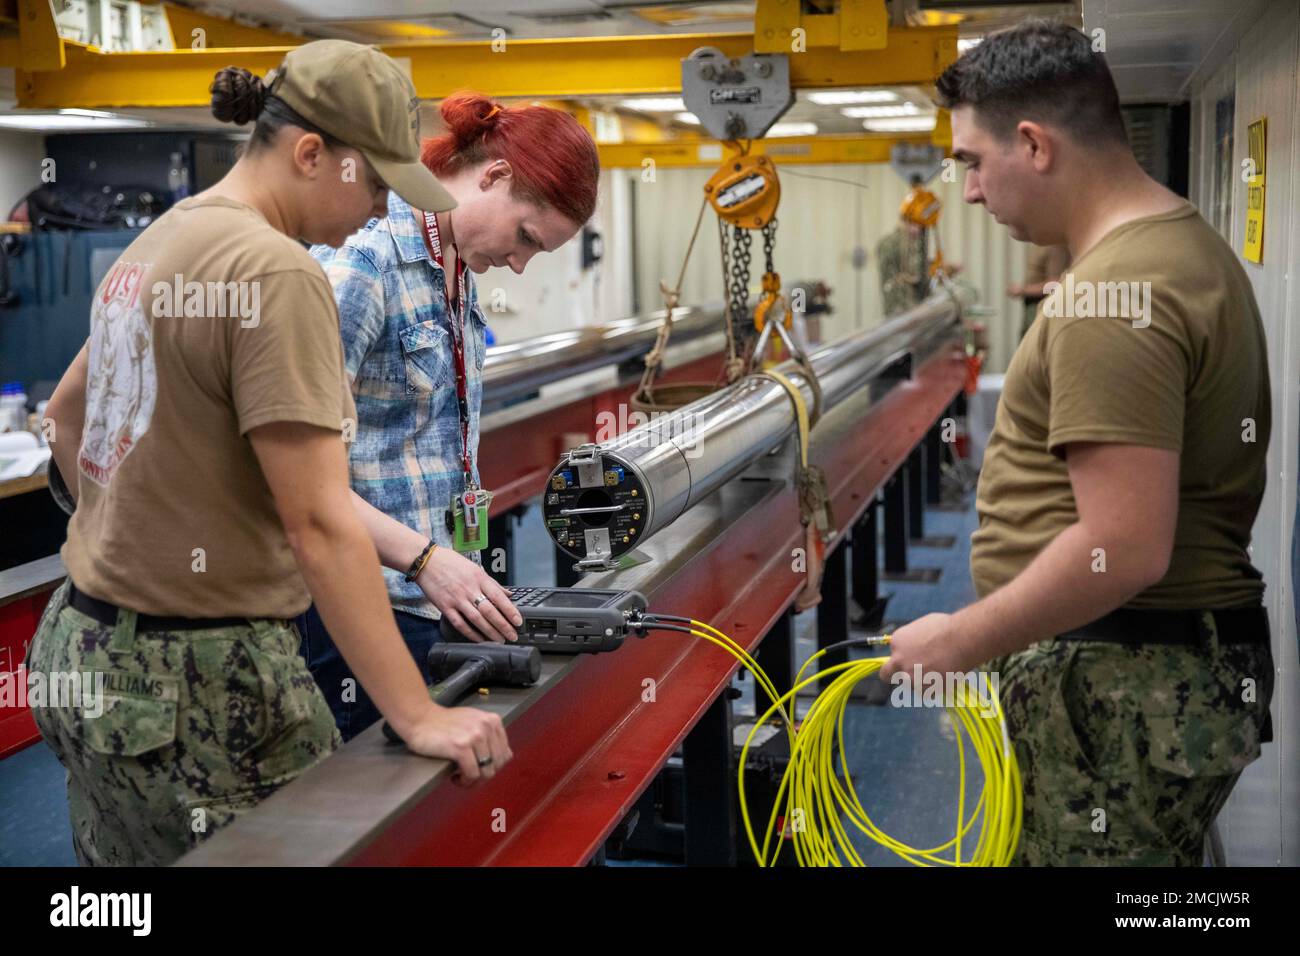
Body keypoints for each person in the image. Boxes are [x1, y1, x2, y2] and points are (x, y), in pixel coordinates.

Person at [27, 40, 510, 866]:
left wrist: (133, 540)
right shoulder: (279, 272)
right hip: (202, 681)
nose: (381, 210)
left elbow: (67, 418)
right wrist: (418, 714)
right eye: (377, 184)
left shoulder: (161, 240)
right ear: (311, 153)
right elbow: (321, 521)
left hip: (82, 652)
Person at [882, 20, 1273, 865]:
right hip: (1143, 672)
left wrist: (957, 641)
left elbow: (1124, 546)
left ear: (1034, 145)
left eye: (972, 164)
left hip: (1122, 680)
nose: (972, 193)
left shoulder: (1116, 293)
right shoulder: (1180, 247)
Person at [297, 92, 600, 739]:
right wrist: (426, 559)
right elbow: (292, 481)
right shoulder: (364, 264)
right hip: (360, 603)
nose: (520, 264)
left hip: (430, 589)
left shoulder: (454, 264)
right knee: (369, 801)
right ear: (494, 176)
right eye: (525, 238)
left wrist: (441, 564)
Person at [1008, 242, 1070, 339]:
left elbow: (1055, 284)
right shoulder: (1041, 244)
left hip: (1040, 305)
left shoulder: (1054, 246)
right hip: (1032, 305)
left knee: (1033, 342)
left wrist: (1023, 290)